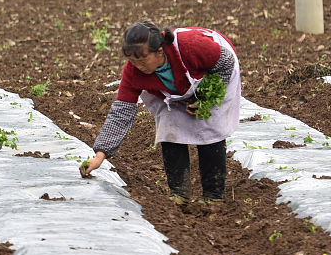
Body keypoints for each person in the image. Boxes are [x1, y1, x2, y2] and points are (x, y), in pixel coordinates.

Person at [80, 21, 241, 203]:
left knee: (210, 128)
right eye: (132, 60)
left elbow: (225, 62)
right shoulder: (133, 72)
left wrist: (204, 100)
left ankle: (213, 197)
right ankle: (179, 194)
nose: (137, 65)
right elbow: (121, 112)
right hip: (171, 93)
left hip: (215, 73)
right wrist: (100, 156)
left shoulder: (190, 46)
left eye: (142, 59)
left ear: (159, 51)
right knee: (169, 128)